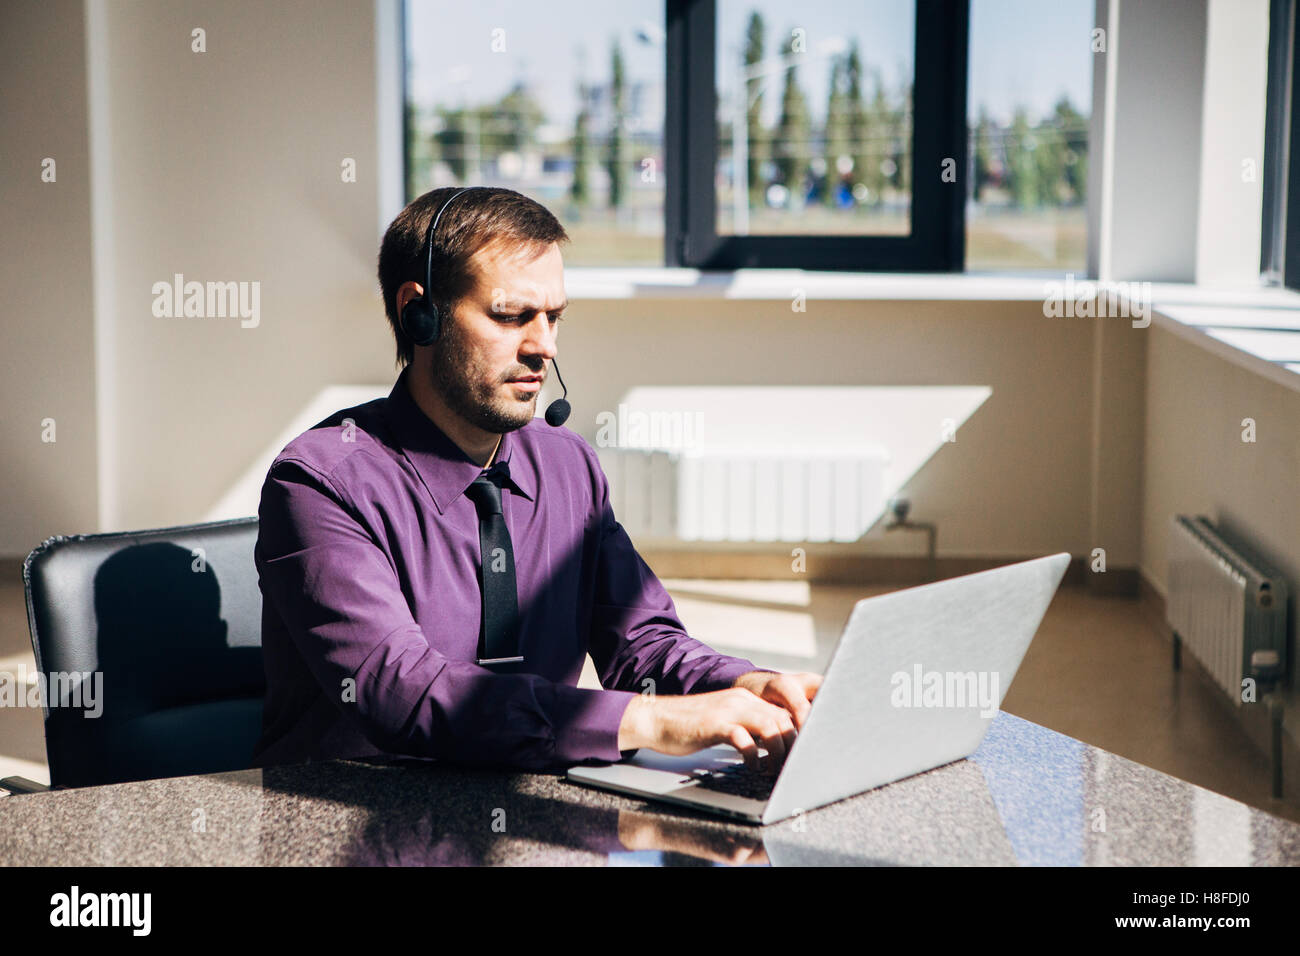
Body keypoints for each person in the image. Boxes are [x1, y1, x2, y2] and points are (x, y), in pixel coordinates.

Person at [251, 185, 821, 775]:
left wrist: (747, 686)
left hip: (532, 809)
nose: (543, 346)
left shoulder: (567, 466)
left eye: (553, 317)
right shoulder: (319, 484)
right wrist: (652, 721)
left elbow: (642, 643)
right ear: (417, 312)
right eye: (510, 315)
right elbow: (404, 692)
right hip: (357, 824)